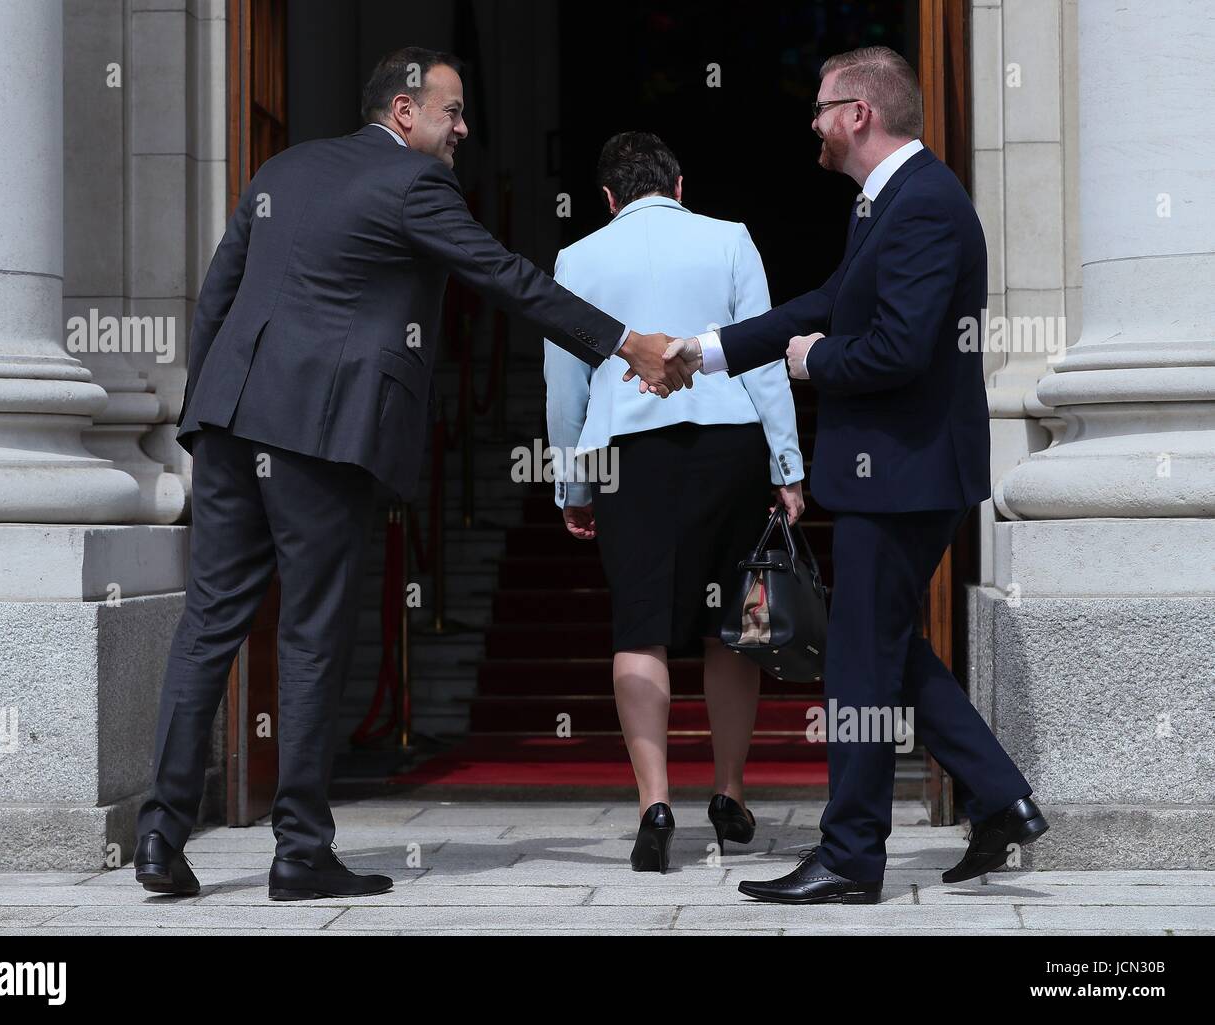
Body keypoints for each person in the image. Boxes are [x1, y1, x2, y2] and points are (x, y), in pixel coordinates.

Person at [133, 46, 688, 902]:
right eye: (452, 111)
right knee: (312, 634)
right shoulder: (416, 186)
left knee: (208, 625)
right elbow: (505, 278)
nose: (464, 128)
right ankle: (299, 850)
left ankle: (161, 838)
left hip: (231, 421)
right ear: (403, 111)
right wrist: (629, 343)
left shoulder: (283, 166)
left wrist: (202, 418)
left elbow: (218, 294)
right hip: (321, 433)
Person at [665, 46, 1047, 904]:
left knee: (859, 664)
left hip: (905, 476)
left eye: (820, 109)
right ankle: (1000, 797)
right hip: (898, 473)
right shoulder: (889, 203)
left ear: (860, 114)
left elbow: (898, 349)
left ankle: (850, 855)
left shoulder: (924, 206)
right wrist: (709, 350)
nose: (813, 125)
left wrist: (810, 365)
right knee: (878, 648)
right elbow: (825, 302)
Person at [544, 132, 805, 873]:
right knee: (734, 629)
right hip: (730, 446)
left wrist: (573, 482)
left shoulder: (577, 259)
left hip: (631, 453)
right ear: (680, 185)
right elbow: (764, 356)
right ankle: (729, 792)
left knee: (640, 624)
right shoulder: (731, 240)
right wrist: (786, 465)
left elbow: (565, 386)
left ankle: (654, 804)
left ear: (608, 198)